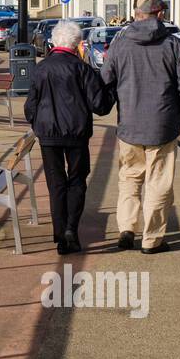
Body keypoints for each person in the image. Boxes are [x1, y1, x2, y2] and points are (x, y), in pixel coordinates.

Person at [99, 0, 180, 255]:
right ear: (160, 15)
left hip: (130, 124)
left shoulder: (120, 43)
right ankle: (152, 239)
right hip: (163, 125)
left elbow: (106, 78)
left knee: (129, 178)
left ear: (136, 14)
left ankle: (126, 228)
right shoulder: (172, 44)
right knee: (159, 183)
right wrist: (178, 114)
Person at [24, 20, 115, 254]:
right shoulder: (81, 69)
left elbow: (30, 106)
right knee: (76, 180)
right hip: (76, 133)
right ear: (77, 44)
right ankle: (71, 230)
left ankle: (60, 232)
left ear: (54, 41)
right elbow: (101, 106)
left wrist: (37, 123)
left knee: (56, 183)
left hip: (48, 135)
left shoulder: (41, 68)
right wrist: (111, 89)